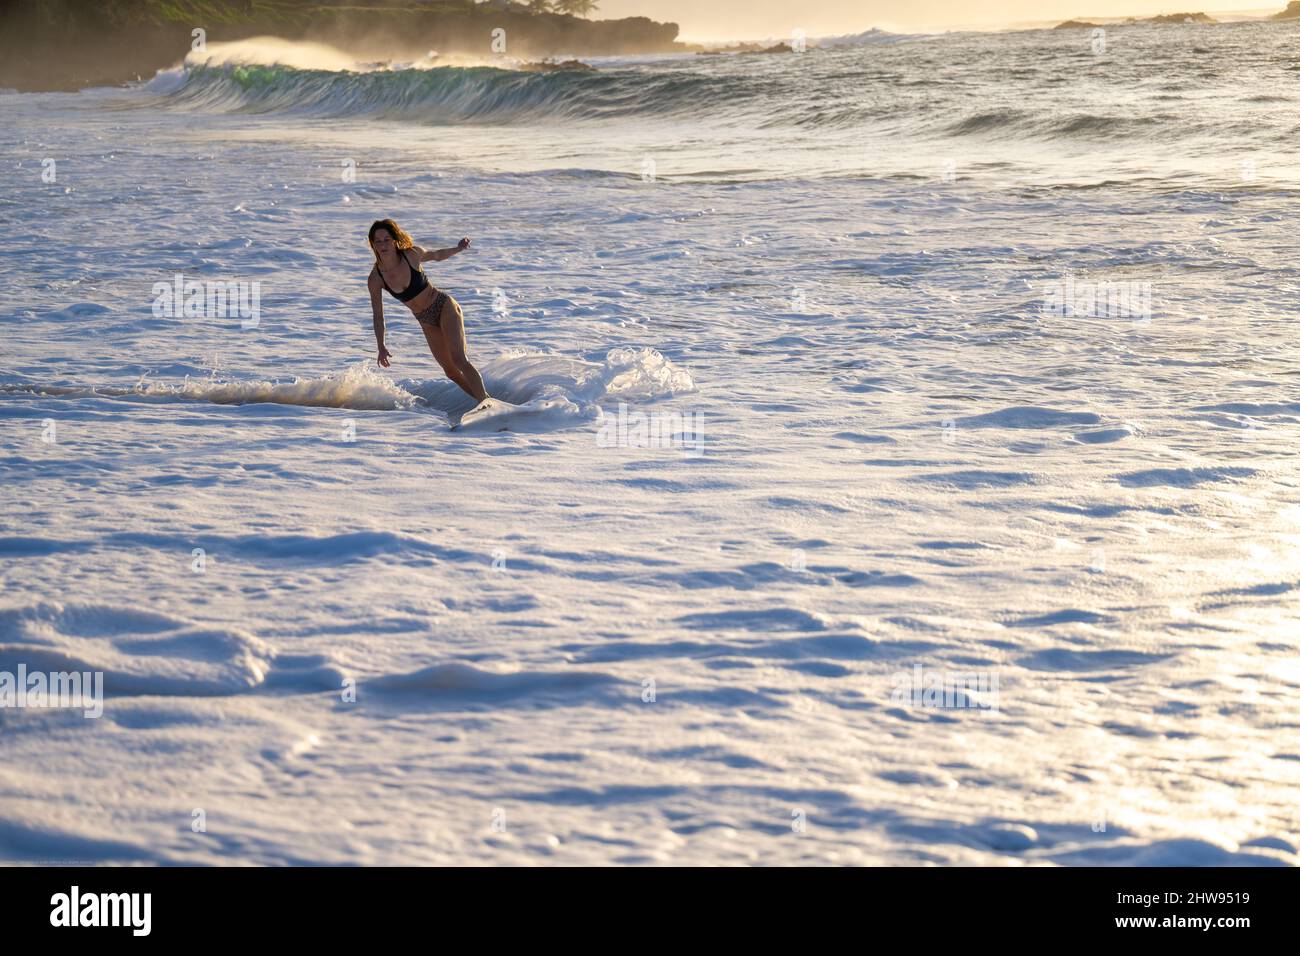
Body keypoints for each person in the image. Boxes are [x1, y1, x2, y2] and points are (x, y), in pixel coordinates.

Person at [366, 218, 489, 401]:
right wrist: (381, 346)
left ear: (395, 240)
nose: (383, 244)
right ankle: (485, 401)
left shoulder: (411, 255)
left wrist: (458, 248)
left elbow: (437, 255)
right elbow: (378, 316)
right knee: (450, 371)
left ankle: (486, 404)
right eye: (378, 241)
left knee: (459, 360)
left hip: (443, 306)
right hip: (425, 320)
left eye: (387, 239)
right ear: (373, 244)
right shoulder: (376, 279)